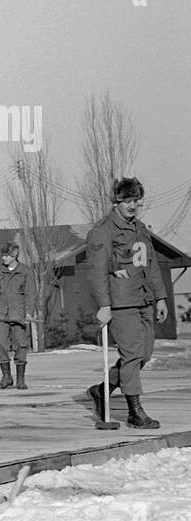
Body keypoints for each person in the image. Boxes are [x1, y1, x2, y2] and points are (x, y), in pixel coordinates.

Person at [86, 177, 168, 429]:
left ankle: (103, 389)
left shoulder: (141, 229)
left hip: (143, 299)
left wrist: (161, 297)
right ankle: (135, 412)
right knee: (132, 355)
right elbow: (96, 269)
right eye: (128, 200)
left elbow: (150, 264)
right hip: (121, 303)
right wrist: (103, 304)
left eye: (137, 200)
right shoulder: (103, 231)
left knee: (144, 354)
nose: (133, 205)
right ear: (116, 201)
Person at [0, 241, 37, 390]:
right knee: (0, 344)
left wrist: (29, 313)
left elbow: (31, 294)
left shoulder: (26, 272)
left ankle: (20, 379)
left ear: (14, 255)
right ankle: (6, 377)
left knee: (21, 345)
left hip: (18, 315)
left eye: (7, 255)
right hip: (0, 315)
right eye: (3, 255)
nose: (4, 258)